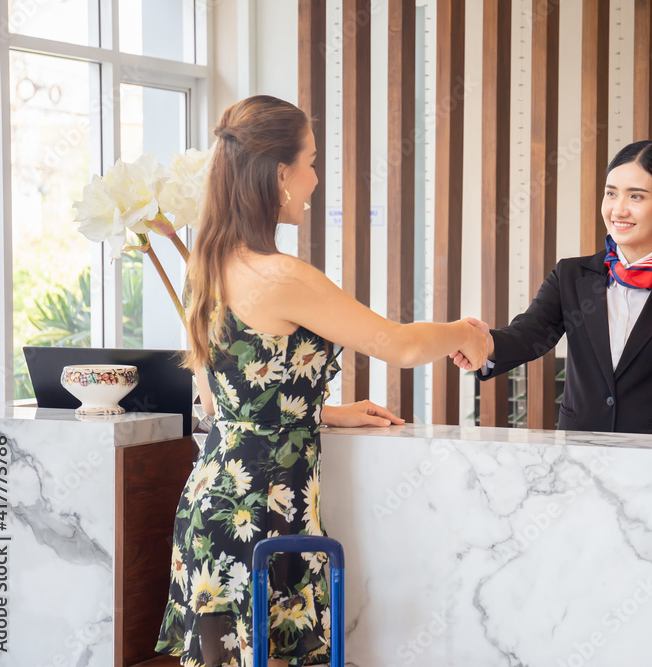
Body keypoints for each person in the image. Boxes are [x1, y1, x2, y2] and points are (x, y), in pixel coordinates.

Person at [156, 95, 487, 667]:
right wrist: (467, 331)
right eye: (310, 163)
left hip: (213, 508)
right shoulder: (280, 276)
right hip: (262, 515)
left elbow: (221, 398)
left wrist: (319, 412)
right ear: (280, 174)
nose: (315, 179)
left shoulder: (207, 263)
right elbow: (399, 344)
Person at [456, 140, 652, 436]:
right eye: (611, 194)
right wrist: (486, 343)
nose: (618, 209)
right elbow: (529, 334)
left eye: (636, 196)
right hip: (580, 454)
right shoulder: (571, 275)